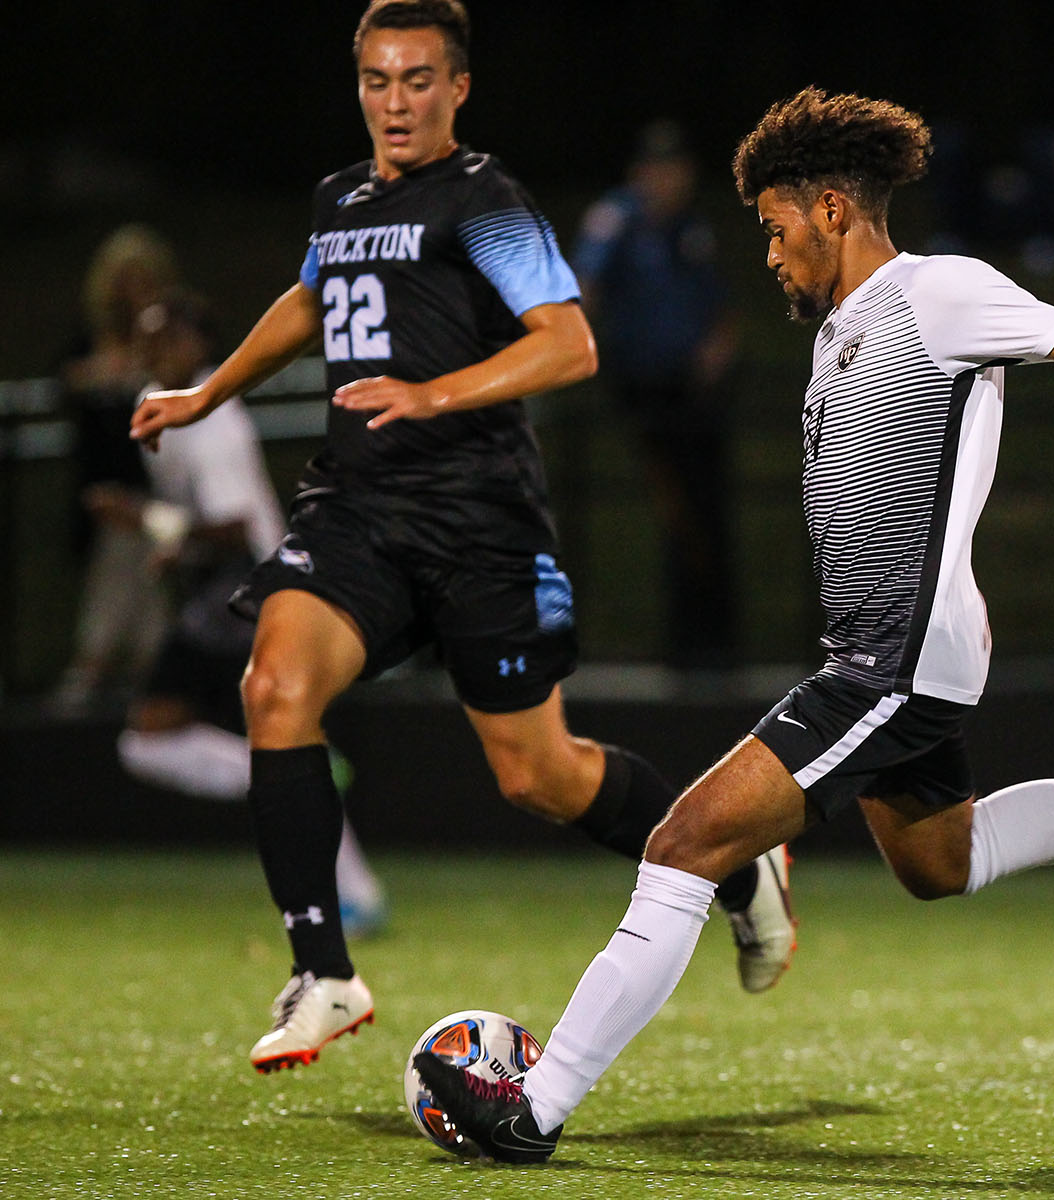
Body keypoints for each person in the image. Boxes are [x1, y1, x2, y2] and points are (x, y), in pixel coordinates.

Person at [414, 86, 1054, 1164]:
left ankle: (532, 1110)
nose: (768, 256)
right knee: (939, 863)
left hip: (892, 665)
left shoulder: (940, 292)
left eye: (773, 231)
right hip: (892, 654)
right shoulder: (835, 339)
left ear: (831, 209)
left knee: (683, 846)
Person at [128, 0, 793, 1075]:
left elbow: (569, 345)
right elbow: (311, 301)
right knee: (274, 690)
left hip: (478, 520)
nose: (396, 102)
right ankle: (325, 973)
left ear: (458, 88)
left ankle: (735, 865)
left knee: (538, 776)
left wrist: (435, 395)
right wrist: (207, 392)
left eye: (418, 80)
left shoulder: (487, 199)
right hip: (355, 510)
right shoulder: (341, 197)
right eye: (378, 81)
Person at [97, 291, 389, 936]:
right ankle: (356, 889)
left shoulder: (211, 417)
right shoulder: (171, 402)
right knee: (275, 746)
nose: (152, 349)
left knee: (151, 735)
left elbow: (230, 526)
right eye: (144, 337)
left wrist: (148, 522)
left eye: (165, 336)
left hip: (245, 590)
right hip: (248, 588)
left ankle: (302, 792)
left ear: (199, 345)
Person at [572, 120, 742, 668]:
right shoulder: (617, 220)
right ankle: (684, 642)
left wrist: (717, 351)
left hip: (695, 396)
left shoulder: (691, 228)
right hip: (643, 394)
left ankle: (714, 639)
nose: (669, 179)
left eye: (677, 168)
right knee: (674, 514)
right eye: (659, 168)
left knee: (710, 510)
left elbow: (720, 307)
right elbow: (582, 294)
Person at [49, 225, 181, 712]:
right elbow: (61, 383)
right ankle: (139, 679)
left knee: (132, 569)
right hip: (102, 495)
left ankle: (90, 677)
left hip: (159, 491)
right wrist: (95, 376)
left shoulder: (170, 342)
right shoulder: (90, 344)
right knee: (129, 572)